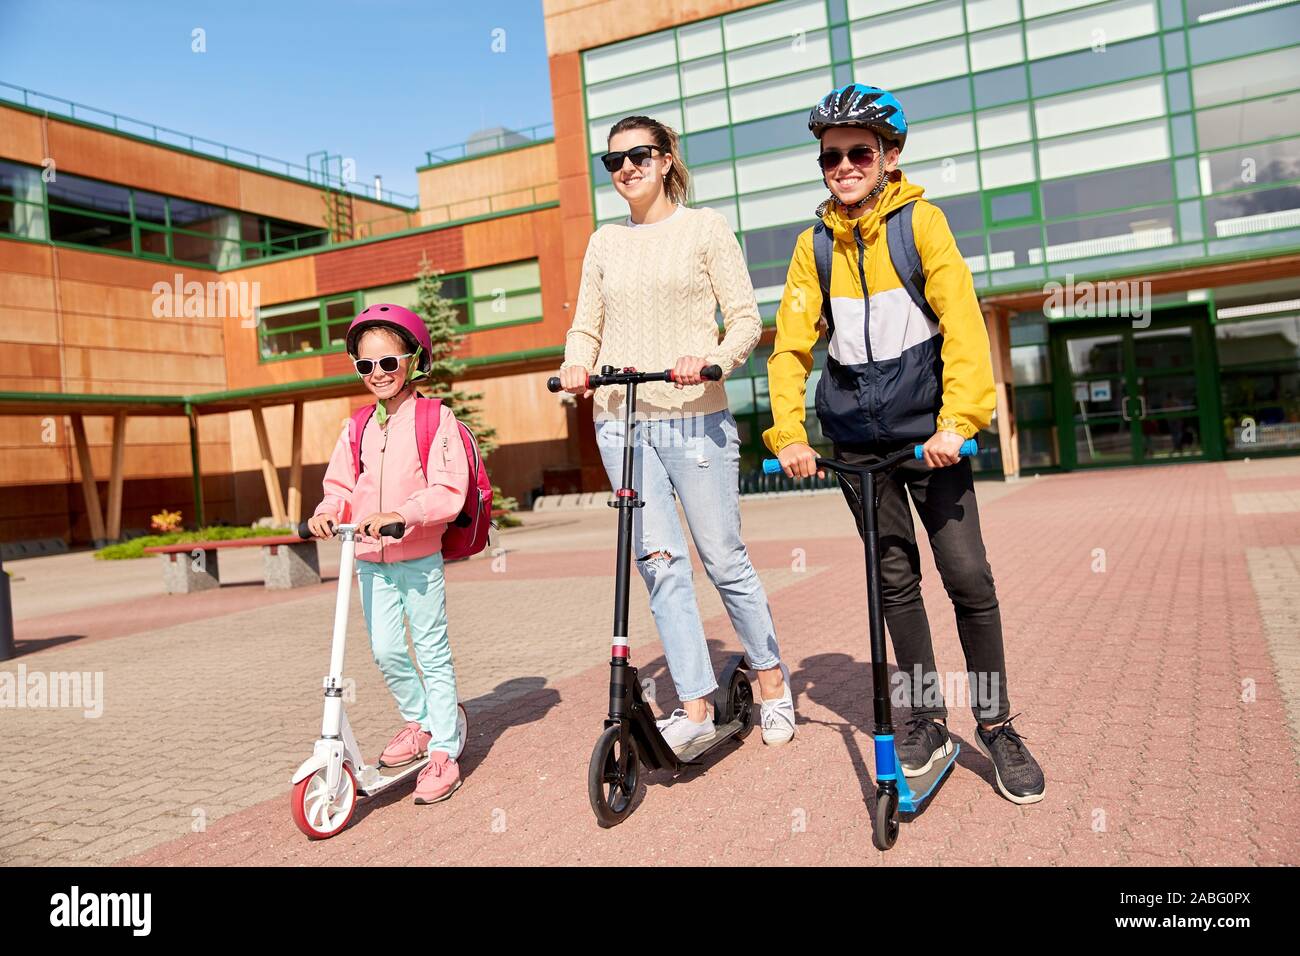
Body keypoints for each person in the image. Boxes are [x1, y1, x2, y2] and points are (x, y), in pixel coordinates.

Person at [765, 85, 1045, 804]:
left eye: (860, 152)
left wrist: (961, 421)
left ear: (891, 157)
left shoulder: (921, 224)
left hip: (930, 441)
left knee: (969, 580)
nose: (845, 165)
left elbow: (961, 324)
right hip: (857, 447)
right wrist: (790, 434)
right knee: (894, 584)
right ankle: (924, 716)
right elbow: (790, 349)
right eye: (832, 156)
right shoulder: (813, 247)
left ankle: (997, 722)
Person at [557, 115, 796, 753]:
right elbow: (586, 327)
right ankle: (694, 702)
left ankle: (771, 680)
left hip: (694, 417)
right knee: (660, 564)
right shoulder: (604, 242)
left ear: (666, 160)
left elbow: (745, 318)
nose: (626, 168)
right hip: (621, 421)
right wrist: (574, 365)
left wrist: (712, 357)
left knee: (721, 558)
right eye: (613, 162)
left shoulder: (706, 229)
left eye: (639, 155)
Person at [308, 304, 471, 804]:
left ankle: (444, 748)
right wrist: (327, 509)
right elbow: (340, 485)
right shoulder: (355, 426)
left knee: (431, 651)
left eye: (387, 362)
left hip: (417, 556)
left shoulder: (434, 419)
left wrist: (405, 514)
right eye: (365, 366)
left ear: (414, 360)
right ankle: (419, 721)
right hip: (368, 559)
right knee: (385, 650)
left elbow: (450, 488)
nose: (377, 373)